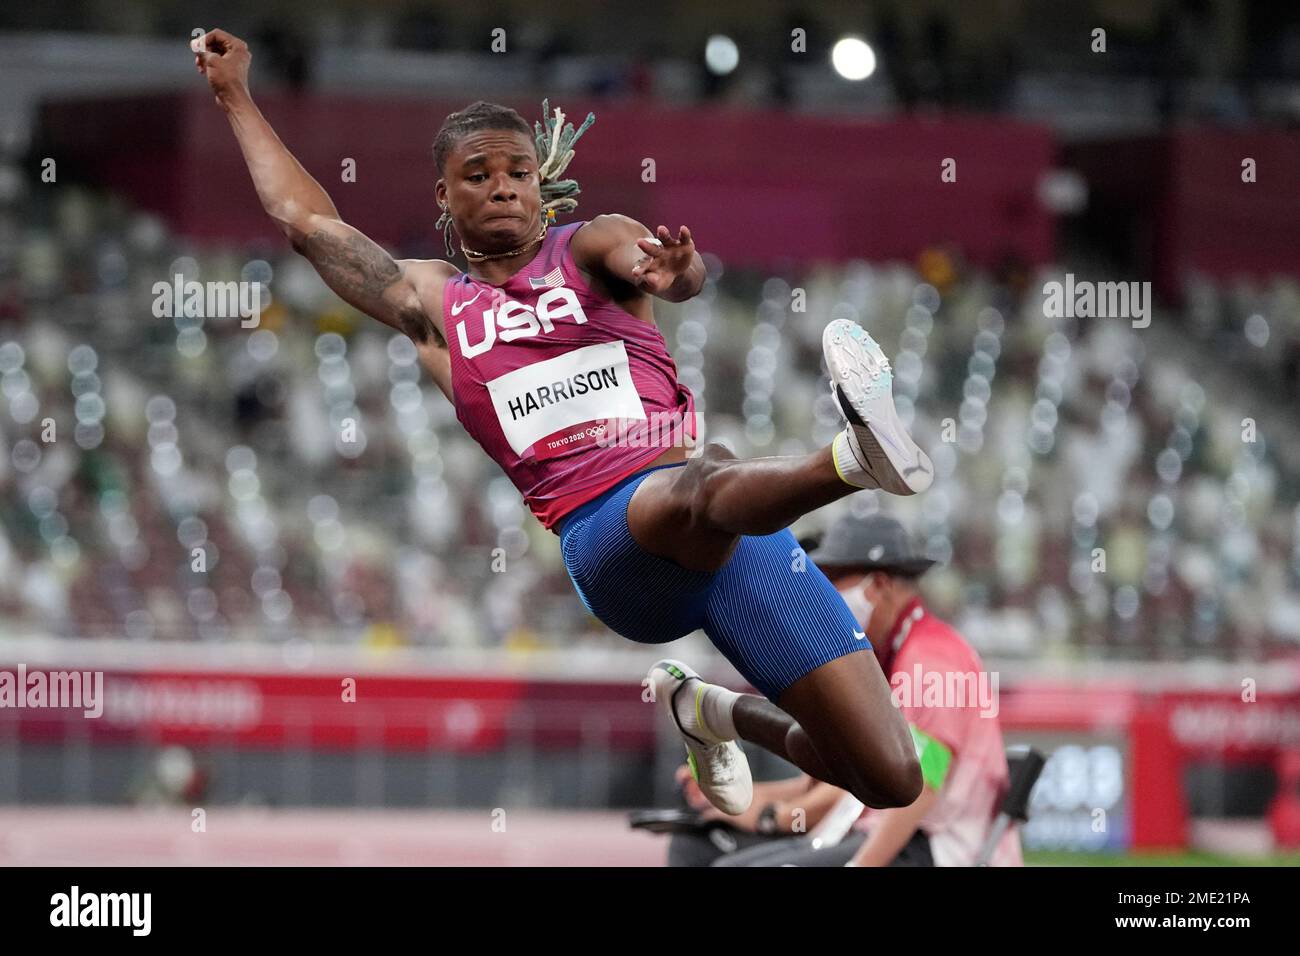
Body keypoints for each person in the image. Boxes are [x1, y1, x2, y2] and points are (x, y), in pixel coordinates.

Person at [194, 29, 934, 816]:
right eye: (478, 176)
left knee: (890, 776)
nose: (504, 188)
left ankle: (710, 710)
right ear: (444, 197)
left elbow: (670, 270)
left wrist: (680, 272)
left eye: (518, 172)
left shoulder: (591, 247)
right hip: (613, 543)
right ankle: (852, 458)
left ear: (542, 187)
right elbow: (307, 226)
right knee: (702, 473)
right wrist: (235, 94)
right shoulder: (436, 307)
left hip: (730, 527)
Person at [668, 515, 1022, 866]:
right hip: (880, 833)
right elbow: (830, 784)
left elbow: (921, 789)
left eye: (835, 581)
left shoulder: (932, 659)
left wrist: (856, 864)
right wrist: (742, 800)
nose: (824, 597)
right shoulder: (892, 658)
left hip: (937, 848)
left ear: (879, 585)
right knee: (708, 853)